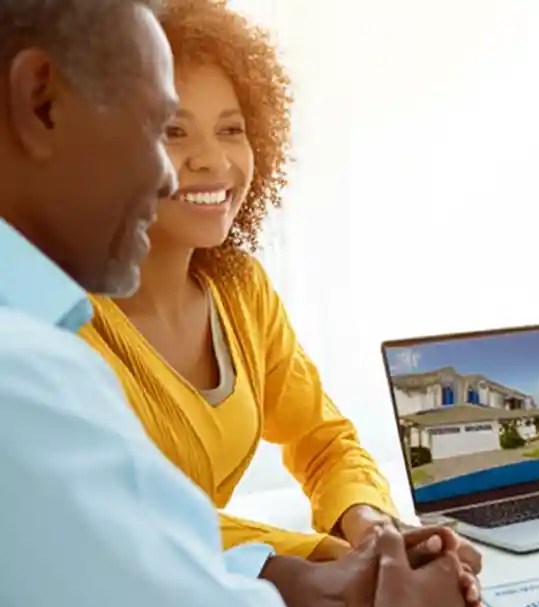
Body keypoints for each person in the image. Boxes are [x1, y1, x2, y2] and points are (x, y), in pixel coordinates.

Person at [0, 1, 479, 607]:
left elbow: (135, 563)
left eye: (231, 129)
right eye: (157, 127)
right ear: (41, 102)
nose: (171, 174)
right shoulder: (26, 372)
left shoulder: (213, 294)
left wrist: (368, 535)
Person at [75, 0, 471, 567]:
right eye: (174, 131)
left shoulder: (241, 290)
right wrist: (333, 562)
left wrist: (372, 526)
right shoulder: (61, 317)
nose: (212, 159)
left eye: (231, 129)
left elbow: (324, 439)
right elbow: (140, 513)